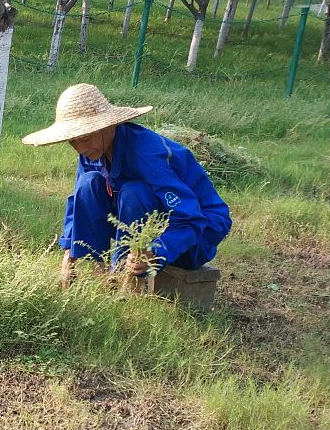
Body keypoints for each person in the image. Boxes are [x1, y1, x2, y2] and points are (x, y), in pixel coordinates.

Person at [22, 83, 232, 288]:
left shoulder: (146, 155)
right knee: (89, 184)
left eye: (84, 138)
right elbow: (78, 200)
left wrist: (156, 250)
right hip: (142, 216)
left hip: (197, 231)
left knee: (134, 191)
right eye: (72, 142)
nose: (80, 148)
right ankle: (99, 271)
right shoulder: (92, 150)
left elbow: (191, 218)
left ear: (107, 126)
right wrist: (70, 248)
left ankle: (126, 275)